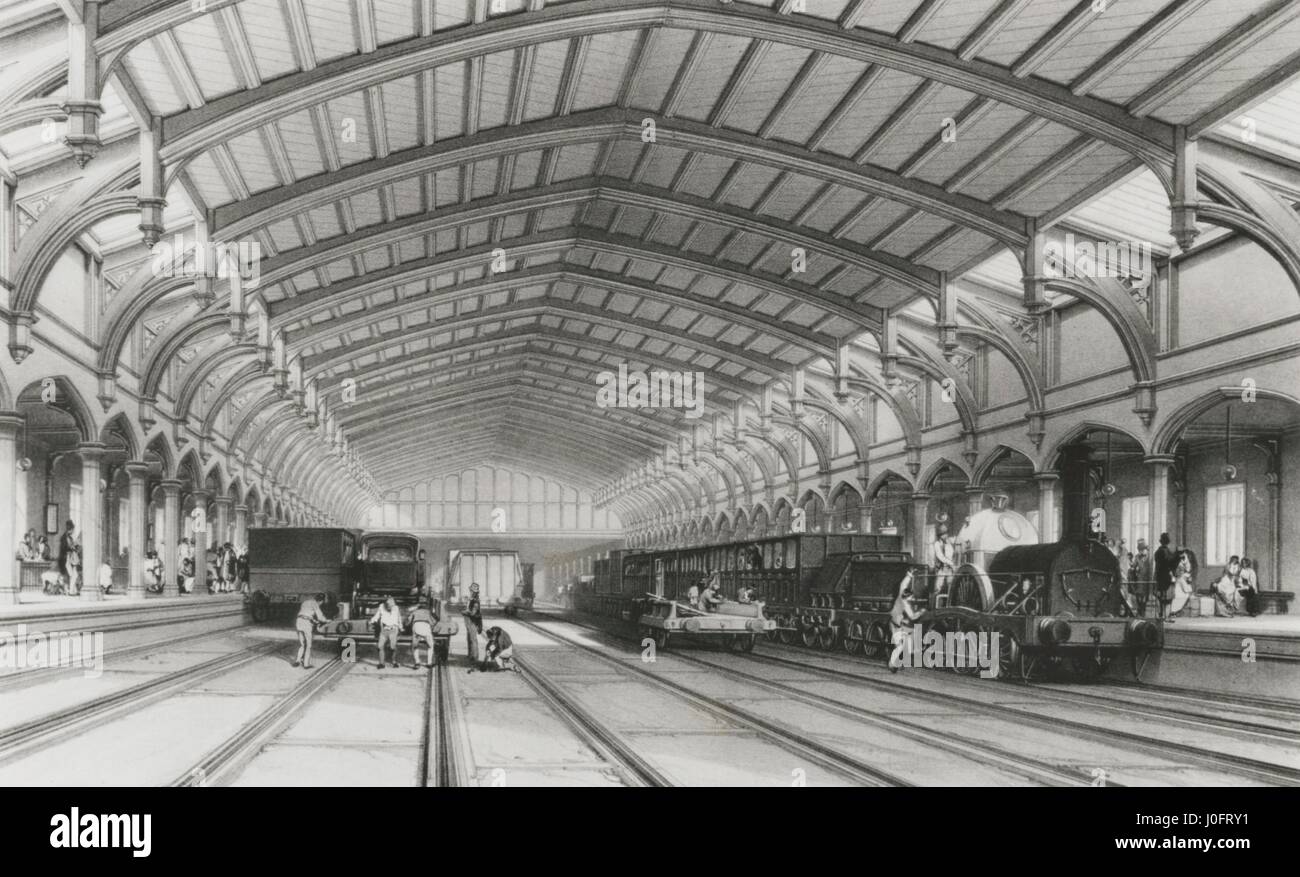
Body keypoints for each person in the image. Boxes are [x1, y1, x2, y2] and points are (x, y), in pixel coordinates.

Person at [888, 569, 922, 673]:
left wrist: (909, 575)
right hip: (896, 626)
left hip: (895, 623)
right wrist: (922, 611)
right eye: (911, 598)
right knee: (900, 646)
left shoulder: (900, 596)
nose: (911, 599)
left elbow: (903, 585)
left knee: (902, 645)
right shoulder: (905, 605)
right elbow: (913, 617)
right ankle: (892, 664)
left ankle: (898, 662)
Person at [294, 592, 329, 669]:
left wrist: (314, 621)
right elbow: (320, 617)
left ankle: (297, 660)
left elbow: (305, 614)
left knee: (302, 644)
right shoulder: (315, 604)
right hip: (306, 624)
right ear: (321, 601)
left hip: (299, 621)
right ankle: (306, 664)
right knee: (308, 645)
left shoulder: (305, 602)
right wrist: (327, 621)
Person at [370, 596, 404, 669]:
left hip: (393, 630)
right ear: (385, 605)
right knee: (380, 646)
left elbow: (399, 618)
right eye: (388, 606)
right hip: (384, 630)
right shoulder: (381, 607)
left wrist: (401, 627)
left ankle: (393, 661)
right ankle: (381, 663)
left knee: (392, 647)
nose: (389, 608)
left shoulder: (396, 608)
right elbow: (377, 615)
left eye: (391, 607)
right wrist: (372, 620)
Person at [408, 597, 439, 668]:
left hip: (416, 627)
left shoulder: (414, 611)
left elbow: (408, 621)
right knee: (431, 646)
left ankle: (417, 663)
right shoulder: (428, 612)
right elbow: (433, 622)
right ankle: (429, 663)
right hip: (425, 628)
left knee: (414, 646)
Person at [1152, 532, 1177, 621]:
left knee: (1160, 597)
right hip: (1167, 577)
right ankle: (1166, 616)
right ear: (1167, 542)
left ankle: (1160, 615)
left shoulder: (1157, 552)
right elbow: (1172, 565)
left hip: (1158, 576)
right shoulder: (1168, 553)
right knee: (1167, 599)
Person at [1127, 538, 1152, 617]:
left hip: (1147, 579)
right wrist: (1132, 568)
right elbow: (1134, 566)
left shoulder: (1150, 557)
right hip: (1140, 579)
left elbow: (1152, 568)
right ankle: (1139, 610)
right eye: (1140, 550)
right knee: (1139, 595)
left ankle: (1143, 610)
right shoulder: (1137, 557)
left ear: (1145, 549)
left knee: (1145, 597)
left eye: (1142, 549)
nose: (1141, 551)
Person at [931, 523, 955, 605]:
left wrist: (951, 565)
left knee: (950, 587)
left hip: (949, 569)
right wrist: (951, 563)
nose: (946, 536)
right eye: (944, 534)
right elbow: (940, 556)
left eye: (946, 534)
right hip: (941, 569)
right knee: (938, 587)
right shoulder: (937, 544)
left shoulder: (949, 544)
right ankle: (934, 606)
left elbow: (951, 554)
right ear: (940, 536)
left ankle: (949, 606)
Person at [462, 583, 482, 666]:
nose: (470, 592)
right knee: (469, 638)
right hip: (469, 621)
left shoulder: (475, 601)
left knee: (473, 639)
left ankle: (474, 657)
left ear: (475, 592)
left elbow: (473, 613)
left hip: (473, 621)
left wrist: (465, 612)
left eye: (472, 591)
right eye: (470, 590)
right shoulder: (472, 599)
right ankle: (470, 655)